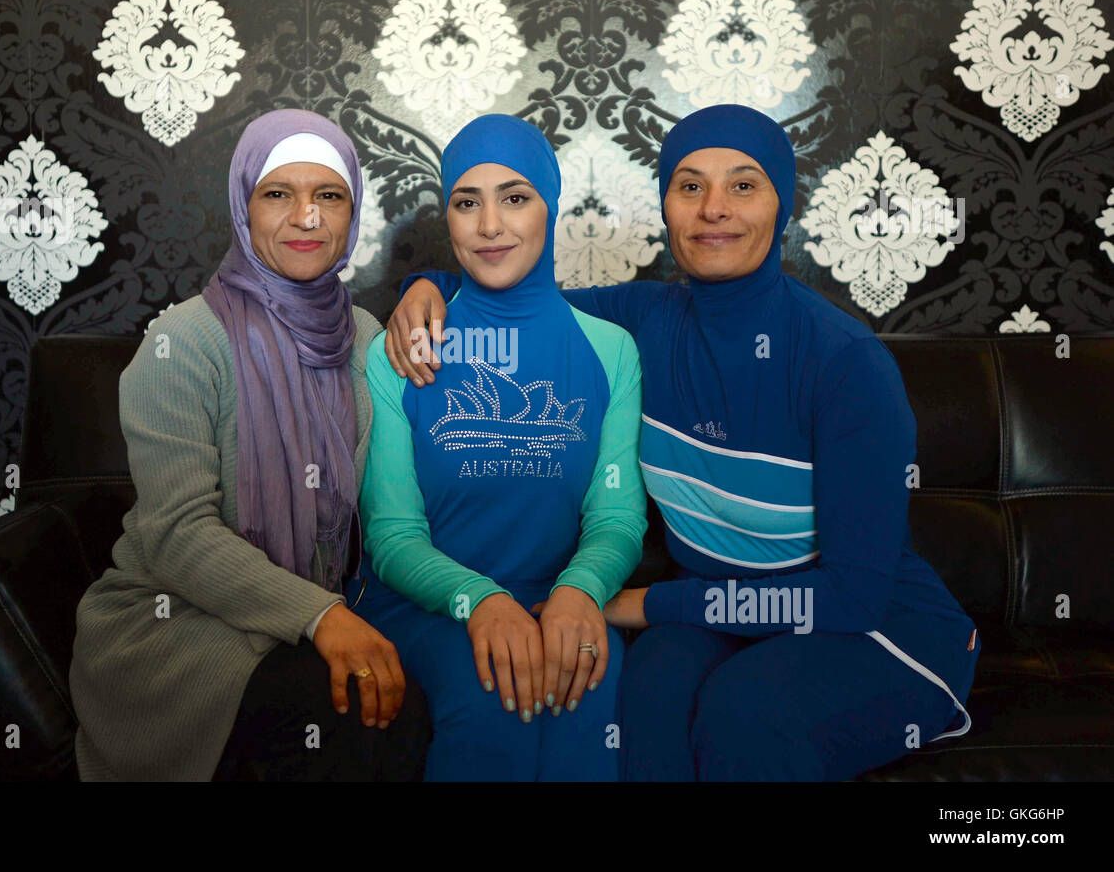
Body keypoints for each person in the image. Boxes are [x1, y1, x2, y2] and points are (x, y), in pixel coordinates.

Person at [386, 103, 981, 781]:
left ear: (782, 205)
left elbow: (850, 596)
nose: (714, 208)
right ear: (666, 205)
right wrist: (424, 287)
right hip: (718, 604)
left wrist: (639, 602)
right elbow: (514, 289)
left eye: (744, 184)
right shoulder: (638, 321)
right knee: (643, 701)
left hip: (873, 624)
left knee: (745, 711)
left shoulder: (845, 363)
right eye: (691, 185)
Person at [69, 109, 429, 781]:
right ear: (243, 205)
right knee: (355, 713)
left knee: (400, 698)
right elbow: (178, 534)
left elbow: (388, 508)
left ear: (352, 211)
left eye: (329, 195)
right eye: (277, 194)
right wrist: (322, 615)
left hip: (314, 613)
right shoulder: (185, 341)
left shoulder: (363, 335)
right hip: (179, 628)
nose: (307, 217)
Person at [353, 113, 648, 781]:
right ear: (448, 215)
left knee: (588, 702)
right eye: (467, 202)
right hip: (431, 603)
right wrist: (479, 601)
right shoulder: (402, 349)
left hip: (561, 599)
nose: (489, 225)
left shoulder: (610, 350)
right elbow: (394, 535)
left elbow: (616, 517)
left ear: (550, 206)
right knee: (496, 702)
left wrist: (580, 589)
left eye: (514, 197)